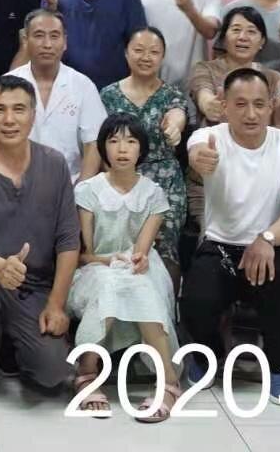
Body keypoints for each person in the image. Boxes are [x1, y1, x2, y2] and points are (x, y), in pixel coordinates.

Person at [0, 74, 81, 419]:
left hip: (33, 285)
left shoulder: (54, 164)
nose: (9, 119)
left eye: (19, 109)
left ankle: (13, 338)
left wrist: (56, 304)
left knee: (54, 373)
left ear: (33, 115)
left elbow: (69, 239)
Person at [180, 69, 280, 402]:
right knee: (196, 300)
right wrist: (200, 161)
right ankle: (208, 356)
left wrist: (267, 238)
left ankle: (279, 367)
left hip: (272, 244)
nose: (251, 114)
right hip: (220, 246)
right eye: (240, 104)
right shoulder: (208, 137)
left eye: (259, 104)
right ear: (224, 106)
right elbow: (197, 154)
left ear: (271, 106)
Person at [68, 114, 180, 421]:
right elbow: (85, 255)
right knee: (109, 283)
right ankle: (87, 372)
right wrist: (108, 261)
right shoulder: (87, 191)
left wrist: (137, 260)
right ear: (102, 147)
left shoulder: (153, 193)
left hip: (137, 268)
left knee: (137, 282)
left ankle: (167, 381)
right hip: (95, 268)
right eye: (114, 140)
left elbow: (141, 251)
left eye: (131, 141)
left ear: (141, 148)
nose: (122, 148)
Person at [0, 10, 105, 183]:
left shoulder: (83, 86)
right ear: (25, 40)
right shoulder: (5, 85)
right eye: (38, 35)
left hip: (69, 185)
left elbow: (93, 144)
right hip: (13, 185)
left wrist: (81, 191)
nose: (47, 44)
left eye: (54, 36)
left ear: (65, 42)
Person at [96, 28, 187, 268]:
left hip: (164, 182)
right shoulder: (107, 95)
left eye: (154, 52)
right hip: (119, 179)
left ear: (163, 57)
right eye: (138, 50)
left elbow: (177, 115)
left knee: (165, 252)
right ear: (126, 53)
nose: (146, 57)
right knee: (121, 251)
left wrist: (174, 128)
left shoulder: (172, 94)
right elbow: (100, 142)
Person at [188, 6, 280, 132]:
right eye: (236, 30)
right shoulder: (205, 69)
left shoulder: (273, 78)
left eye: (251, 31)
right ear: (223, 39)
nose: (243, 37)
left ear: (262, 42)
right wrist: (208, 104)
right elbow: (203, 91)